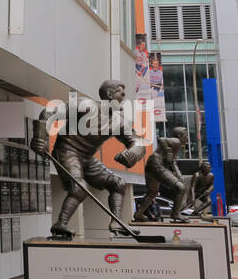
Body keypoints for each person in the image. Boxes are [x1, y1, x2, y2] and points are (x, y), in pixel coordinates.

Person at [31, 79, 147, 238]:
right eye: (121, 93)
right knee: (79, 188)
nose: (124, 97)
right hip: (67, 151)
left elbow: (137, 142)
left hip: (87, 158)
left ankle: (116, 222)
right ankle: (61, 224)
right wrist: (40, 137)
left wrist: (132, 153)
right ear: (110, 94)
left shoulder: (118, 121)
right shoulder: (85, 105)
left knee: (118, 182)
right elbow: (48, 113)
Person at [134, 128, 191, 223]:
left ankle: (139, 214)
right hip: (157, 165)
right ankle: (175, 214)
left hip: (151, 165)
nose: (187, 138)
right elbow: (161, 139)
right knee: (180, 188)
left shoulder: (176, 144)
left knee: (152, 193)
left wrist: (179, 174)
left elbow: (173, 162)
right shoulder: (177, 141)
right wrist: (168, 152)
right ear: (180, 136)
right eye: (186, 135)